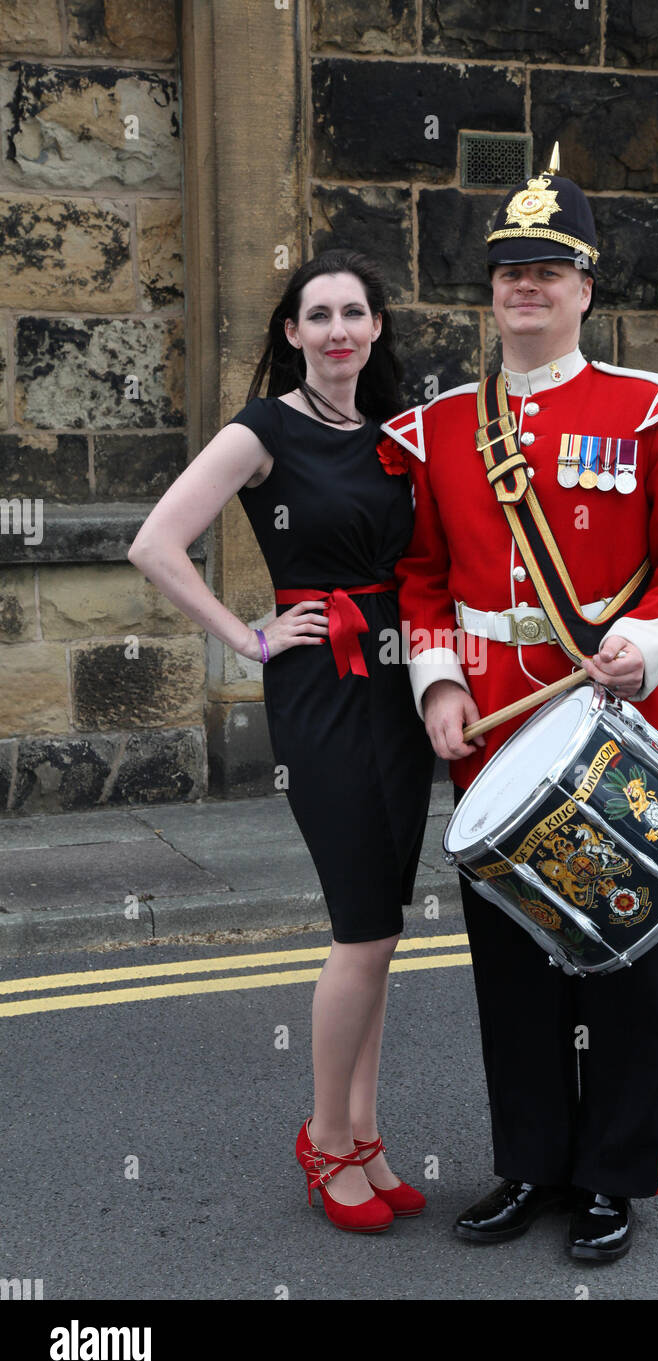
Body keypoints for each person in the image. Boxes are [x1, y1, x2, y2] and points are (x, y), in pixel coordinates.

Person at [381, 149, 658, 1259]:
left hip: (610, 725)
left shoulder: (646, 412)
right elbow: (422, 577)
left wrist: (642, 642)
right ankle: (529, 1163)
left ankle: (610, 1179)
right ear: (488, 292)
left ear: (585, 289)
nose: (523, 288)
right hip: (488, 730)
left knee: (621, 962)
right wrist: (436, 681)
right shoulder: (439, 428)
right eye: (507, 271)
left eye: (548, 269)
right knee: (511, 967)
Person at [128, 248, 435, 1235]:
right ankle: (322, 1136)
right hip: (321, 686)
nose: (338, 329)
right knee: (361, 929)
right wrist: (250, 635)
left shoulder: (394, 434)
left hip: (396, 685)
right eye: (318, 315)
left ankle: (366, 1133)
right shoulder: (262, 430)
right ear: (292, 334)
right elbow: (154, 543)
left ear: (375, 328)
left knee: (383, 931)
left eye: (354, 312)